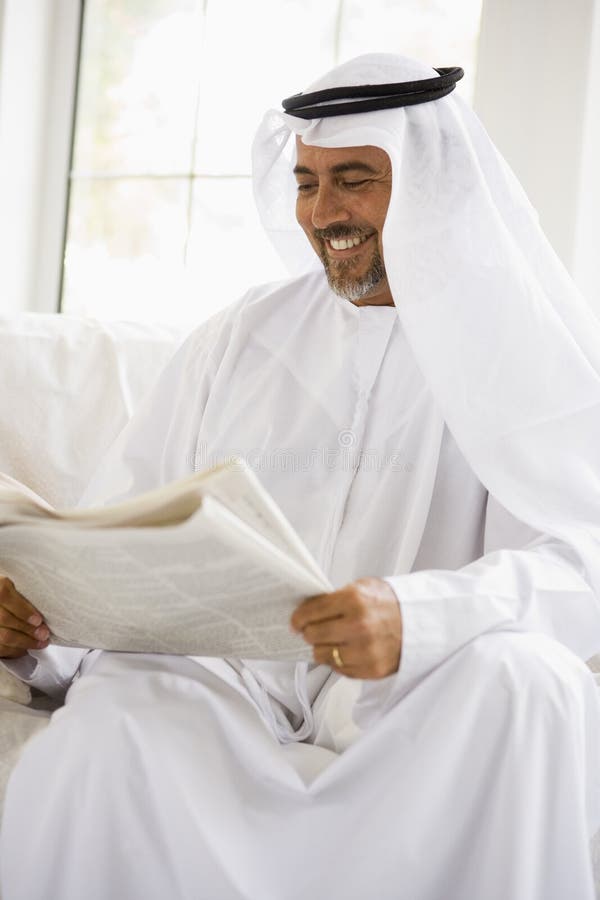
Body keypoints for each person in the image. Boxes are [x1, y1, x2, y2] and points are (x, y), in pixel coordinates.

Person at [1, 53, 600, 900]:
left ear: (436, 185)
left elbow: (585, 561)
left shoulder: (531, 348)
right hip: (231, 680)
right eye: (307, 182)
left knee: (526, 683)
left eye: (354, 180)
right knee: (122, 702)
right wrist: (37, 622)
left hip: (420, 689)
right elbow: (118, 526)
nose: (324, 213)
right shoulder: (241, 335)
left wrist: (420, 616)